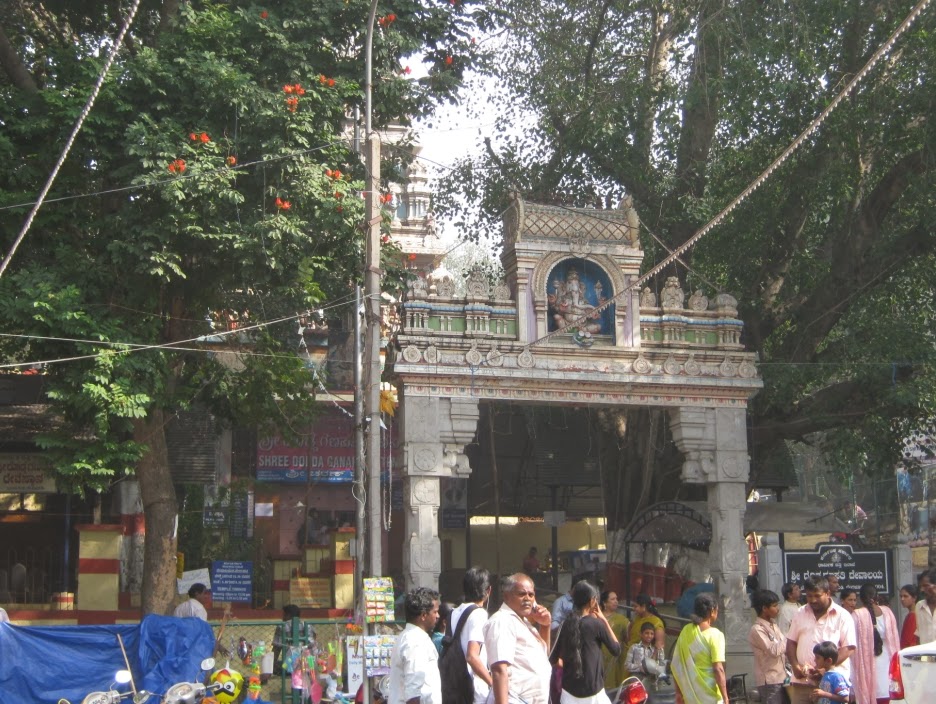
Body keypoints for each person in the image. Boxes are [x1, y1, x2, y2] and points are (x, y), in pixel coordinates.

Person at [483, 573, 552, 704]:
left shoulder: (524, 623)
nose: (527, 599)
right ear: (506, 596)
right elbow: (499, 670)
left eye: (531, 595)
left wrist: (545, 626)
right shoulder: (502, 621)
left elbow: (543, 657)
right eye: (522, 594)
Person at [785, 577, 856, 704]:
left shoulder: (843, 615)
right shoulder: (800, 612)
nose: (813, 600)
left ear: (828, 593)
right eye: (809, 596)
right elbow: (791, 642)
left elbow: (849, 648)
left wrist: (826, 668)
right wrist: (796, 667)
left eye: (817, 596)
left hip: (831, 684)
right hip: (802, 683)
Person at [551, 581, 620, 704]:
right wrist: (604, 620)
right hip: (594, 694)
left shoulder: (564, 625)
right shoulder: (596, 624)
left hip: (569, 694)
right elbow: (616, 649)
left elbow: (553, 658)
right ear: (592, 601)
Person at [671, 592, 729, 704]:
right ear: (712, 611)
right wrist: (725, 697)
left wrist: (678, 693)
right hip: (711, 697)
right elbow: (718, 669)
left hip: (689, 696)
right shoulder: (716, 635)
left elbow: (677, 665)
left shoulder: (686, 631)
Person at [388, 587, 442, 704]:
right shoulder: (415, 641)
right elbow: (412, 693)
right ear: (423, 615)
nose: (438, 616)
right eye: (435, 612)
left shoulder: (409, 637)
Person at [450, 567, 493, 704]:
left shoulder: (453, 612)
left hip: (455, 685)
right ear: (488, 591)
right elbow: (472, 656)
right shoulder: (479, 614)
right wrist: (493, 682)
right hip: (474, 688)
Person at [858, 584, 899, 704]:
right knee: (887, 691)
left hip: (867, 664)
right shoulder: (888, 612)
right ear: (877, 597)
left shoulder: (858, 614)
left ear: (861, 599)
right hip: (887, 660)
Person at [747, 590, 787, 704]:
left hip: (782, 678)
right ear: (764, 608)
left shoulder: (773, 624)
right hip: (770, 681)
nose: (778, 608)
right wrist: (790, 637)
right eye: (774, 606)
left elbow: (783, 647)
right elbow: (774, 650)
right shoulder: (757, 629)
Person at [599, 591, 630, 690]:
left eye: (616, 599)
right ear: (604, 603)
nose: (616, 601)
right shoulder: (596, 617)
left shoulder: (623, 620)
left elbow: (627, 639)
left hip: (615, 657)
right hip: (599, 653)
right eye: (612, 599)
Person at [273, 604, 315, 673]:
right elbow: (312, 645)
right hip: (306, 664)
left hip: (289, 663)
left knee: (278, 664)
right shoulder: (308, 626)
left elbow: (276, 648)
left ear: (288, 615)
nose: (282, 617)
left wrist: (272, 665)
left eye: (284, 615)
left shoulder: (282, 626)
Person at [624, 622, 666, 689]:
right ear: (640, 634)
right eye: (646, 633)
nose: (649, 636)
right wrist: (641, 667)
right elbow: (627, 666)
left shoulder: (656, 649)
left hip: (652, 679)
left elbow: (662, 666)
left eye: (652, 634)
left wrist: (658, 650)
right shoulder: (634, 648)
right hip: (636, 678)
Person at [915, 569, 936, 644]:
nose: (922, 590)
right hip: (925, 654)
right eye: (921, 586)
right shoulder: (919, 606)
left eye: (926, 586)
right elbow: (919, 634)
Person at [899, 584, 919, 649]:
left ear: (914, 598)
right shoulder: (913, 613)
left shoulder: (913, 616)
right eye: (901, 596)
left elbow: (907, 641)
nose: (902, 599)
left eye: (905, 596)